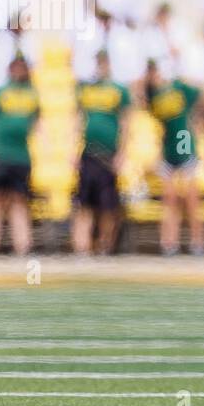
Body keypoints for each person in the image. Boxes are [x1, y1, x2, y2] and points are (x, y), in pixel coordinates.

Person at [0, 56, 39, 256]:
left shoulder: (33, 95)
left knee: (19, 200)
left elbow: (38, 125)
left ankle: (23, 245)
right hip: (1, 154)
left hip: (21, 156)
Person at [144, 61, 204, 257]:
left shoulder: (179, 88)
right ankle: (169, 243)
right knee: (169, 200)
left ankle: (198, 242)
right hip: (168, 149)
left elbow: (202, 95)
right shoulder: (153, 96)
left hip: (185, 146)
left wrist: (197, 118)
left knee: (191, 199)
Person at [73, 50, 131, 256]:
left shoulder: (119, 91)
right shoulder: (86, 89)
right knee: (84, 203)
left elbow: (126, 123)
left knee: (108, 205)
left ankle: (106, 245)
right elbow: (78, 120)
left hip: (108, 155)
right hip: (89, 153)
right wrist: (73, 150)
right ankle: (83, 247)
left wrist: (122, 154)